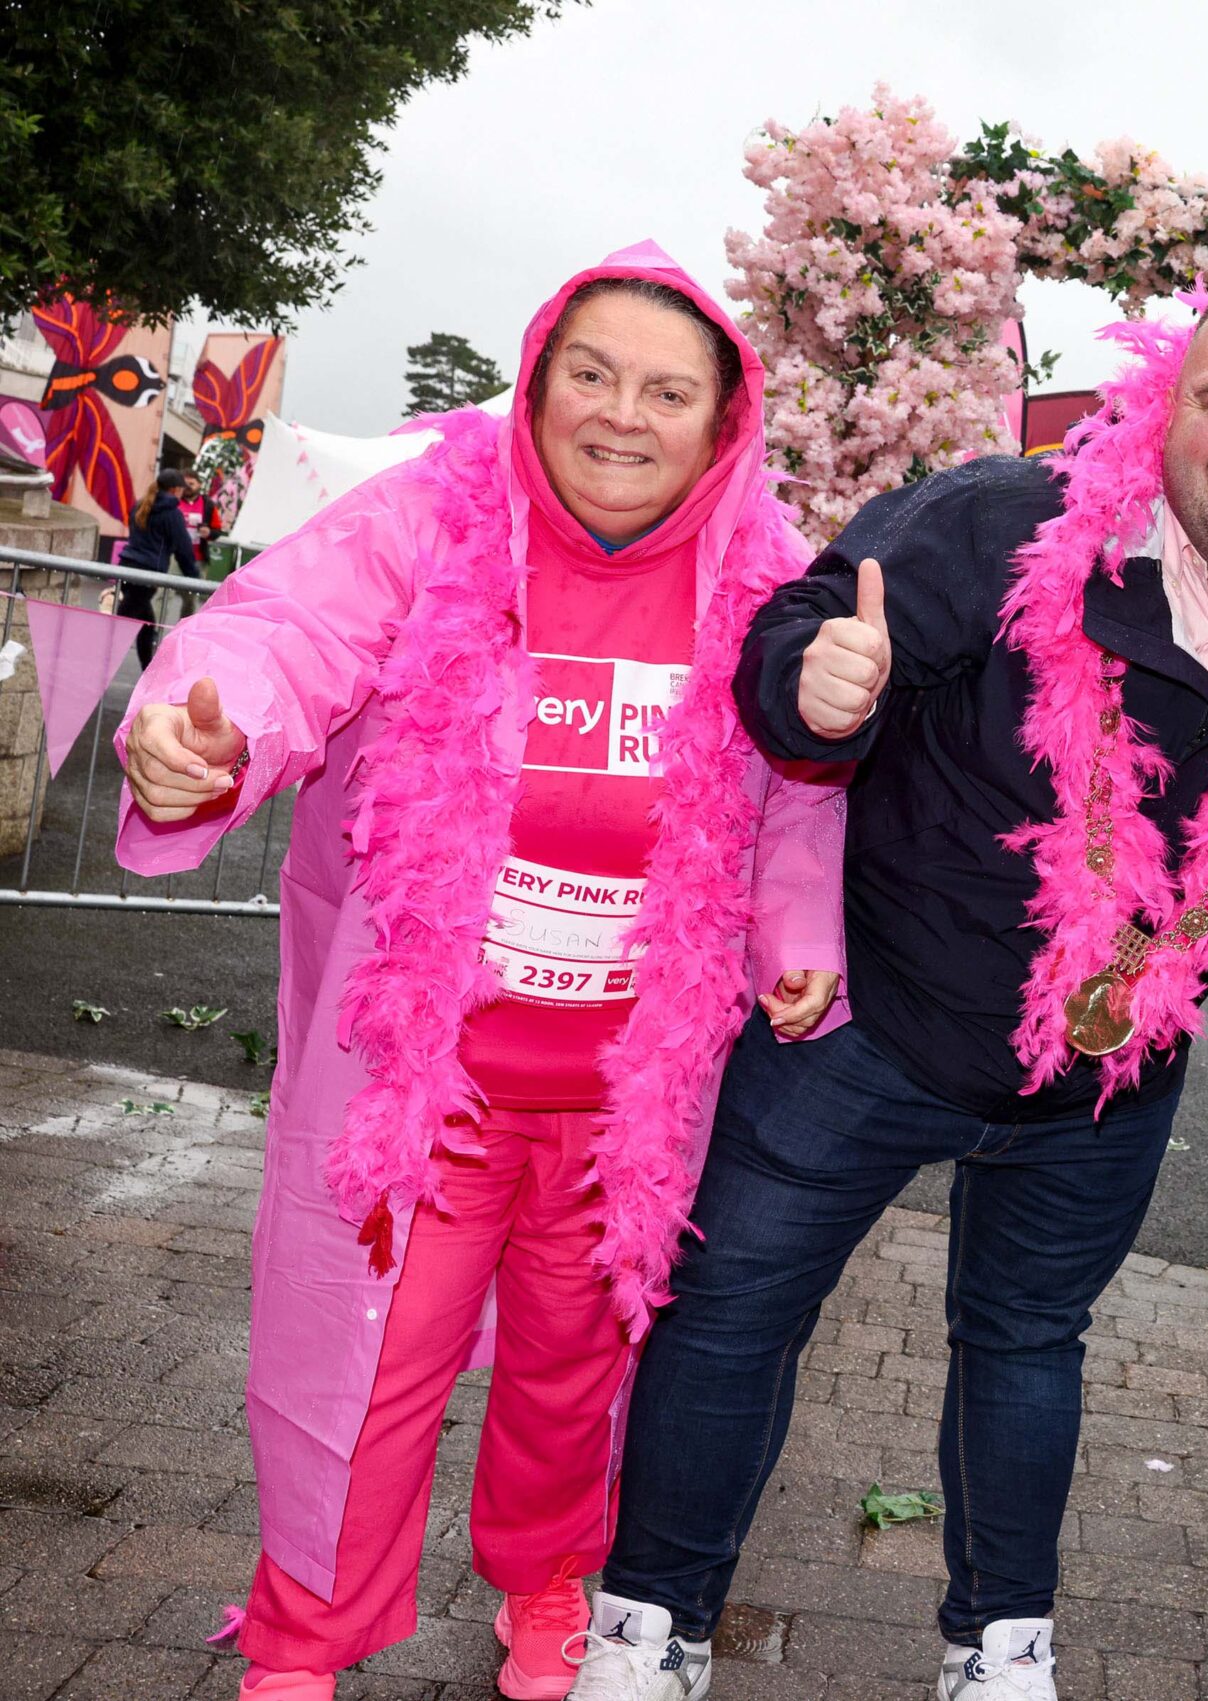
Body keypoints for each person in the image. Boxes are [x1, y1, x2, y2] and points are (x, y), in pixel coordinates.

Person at [568, 277, 1208, 1701]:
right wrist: (818, 685)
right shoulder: (1000, 522)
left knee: (1029, 1345)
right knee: (727, 1313)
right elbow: (797, 632)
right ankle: (651, 1629)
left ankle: (1000, 1651)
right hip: (866, 1036)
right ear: (1167, 404)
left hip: (1103, 1087)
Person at [114, 241, 848, 1701]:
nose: (621, 416)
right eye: (590, 374)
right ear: (538, 383)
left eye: (665, 390)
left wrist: (801, 943)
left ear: (722, 423)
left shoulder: (768, 578)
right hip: (420, 1085)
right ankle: (305, 1636)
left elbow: (798, 793)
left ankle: (547, 1585)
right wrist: (203, 737)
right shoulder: (430, 519)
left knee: (577, 1384)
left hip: (625, 1104)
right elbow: (281, 634)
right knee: (364, 1374)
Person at [115, 465, 199, 664]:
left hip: (127, 569)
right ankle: (93, 669)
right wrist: (194, 578)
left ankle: (148, 676)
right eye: (180, 490)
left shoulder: (139, 505)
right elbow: (184, 549)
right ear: (175, 490)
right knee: (120, 626)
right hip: (148, 576)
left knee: (146, 625)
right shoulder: (172, 514)